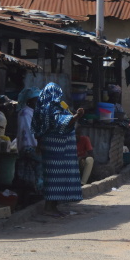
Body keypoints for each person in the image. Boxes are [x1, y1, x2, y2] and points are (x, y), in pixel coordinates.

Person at [32, 82, 84, 217]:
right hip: (56, 149)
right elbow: (61, 121)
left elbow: (38, 131)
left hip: (53, 148)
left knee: (54, 177)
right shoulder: (50, 109)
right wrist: (76, 116)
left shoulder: (42, 108)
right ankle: (49, 208)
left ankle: (53, 207)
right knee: (54, 178)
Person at [14, 88, 42, 193]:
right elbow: (29, 132)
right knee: (40, 167)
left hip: (28, 147)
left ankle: (28, 196)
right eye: (36, 100)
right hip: (29, 147)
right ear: (30, 101)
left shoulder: (32, 112)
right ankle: (37, 192)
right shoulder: (25, 112)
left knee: (26, 173)